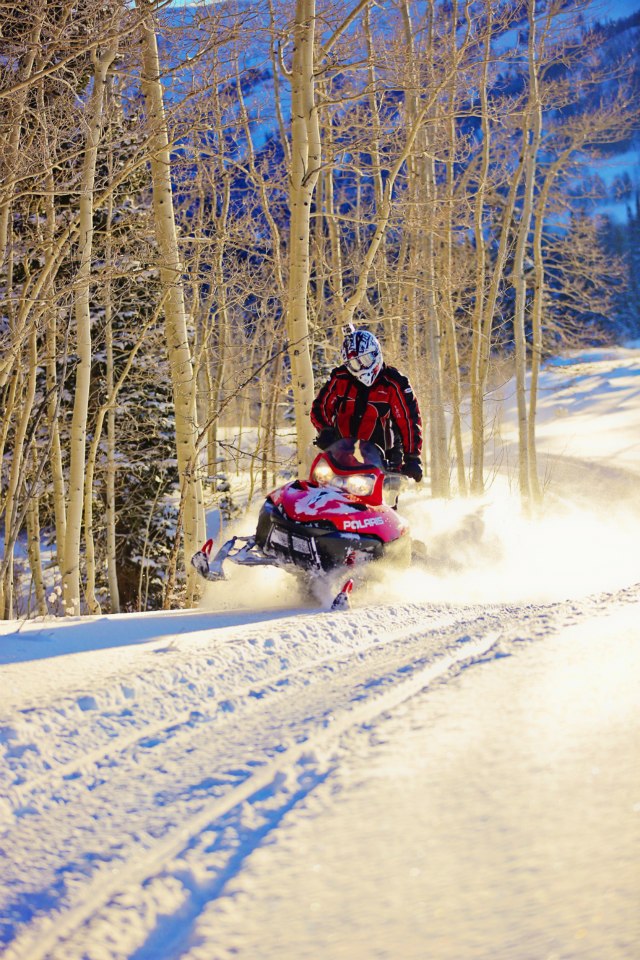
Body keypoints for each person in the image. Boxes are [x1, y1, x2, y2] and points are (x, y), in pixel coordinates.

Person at [311, 326, 423, 482]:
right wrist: (325, 430)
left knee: (388, 494)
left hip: (385, 460)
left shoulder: (395, 383)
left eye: (365, 359)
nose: (361, 366)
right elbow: (321, 406)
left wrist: (412, 457)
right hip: (342, 455)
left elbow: (409, 420)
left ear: (376, 353)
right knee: (323, 488)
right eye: (354, 363)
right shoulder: (340, 378)